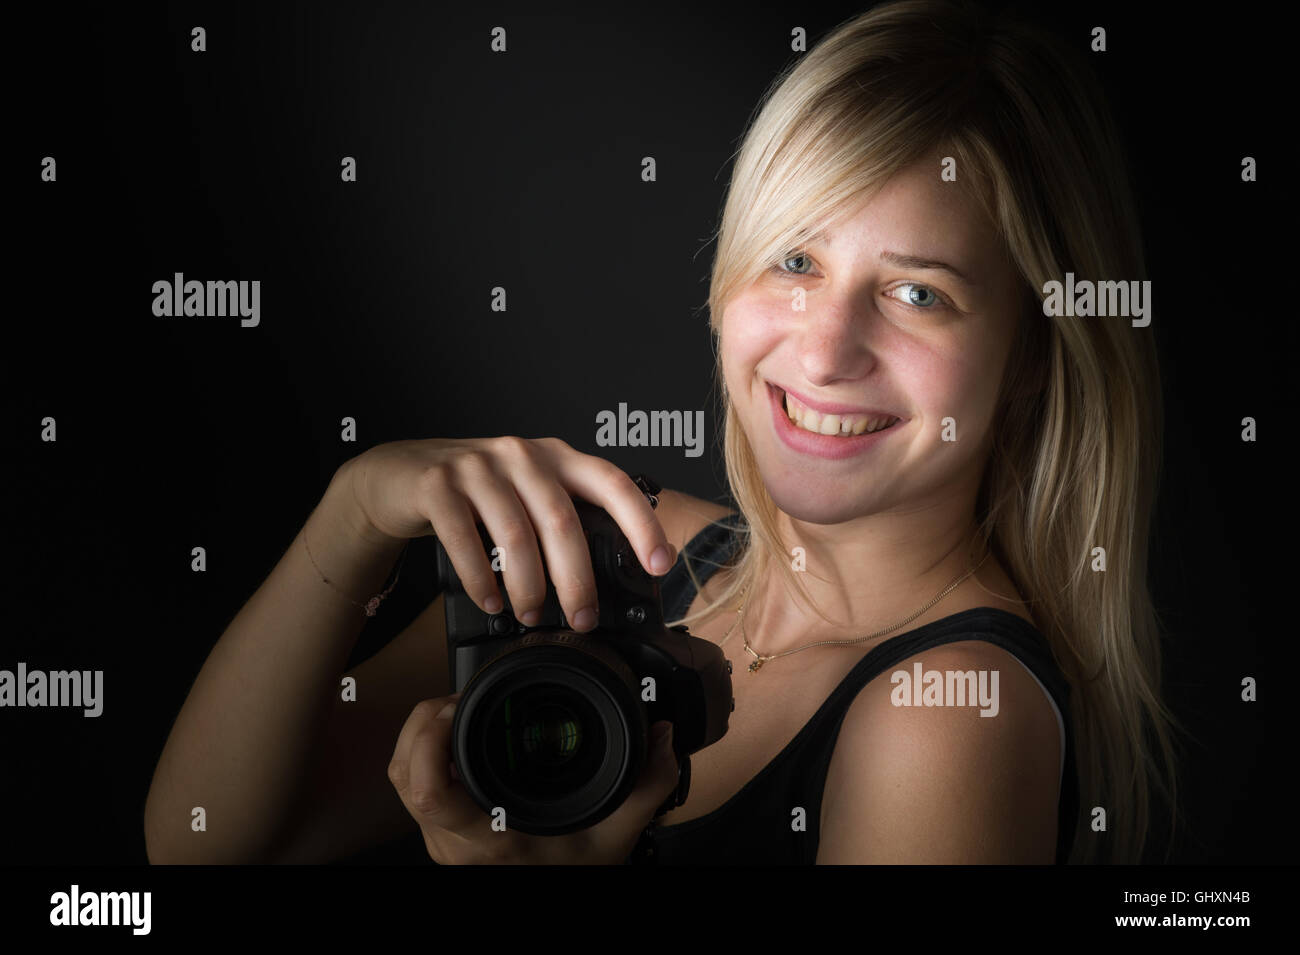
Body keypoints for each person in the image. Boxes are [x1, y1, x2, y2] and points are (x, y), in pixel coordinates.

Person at [143, 0, 1179, 866]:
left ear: (1033, 354)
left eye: (918, 292)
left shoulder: (948, 713)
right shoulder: (616, 559)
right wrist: (355, 513)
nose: (825, 351)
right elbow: (199, 843)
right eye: (796, 260)